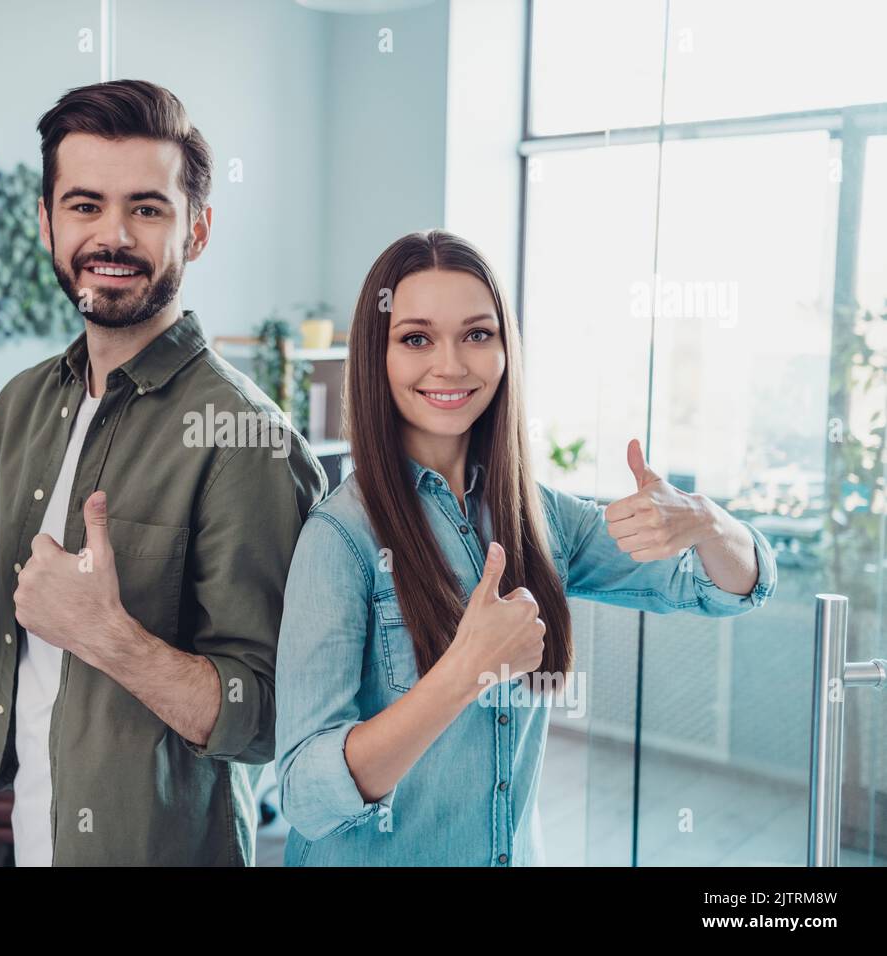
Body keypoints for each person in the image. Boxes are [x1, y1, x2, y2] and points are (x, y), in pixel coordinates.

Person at [0, 79, 326, 866]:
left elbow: (271, 719)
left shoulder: (248, 440)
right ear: (47, 223)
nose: (114, 236)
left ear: (196, 232)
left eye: (147, 208)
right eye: (86, 205)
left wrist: (110, 638)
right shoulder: (19, 407)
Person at [274, 229, 777, 866]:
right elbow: (304, 796)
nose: (451, 364)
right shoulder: (341, 538)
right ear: (377, 356)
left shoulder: (541, 517)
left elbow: (729, 589)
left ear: (507, 350)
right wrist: (461, 673)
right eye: (416, 338)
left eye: (478, 335)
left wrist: (705, 521)